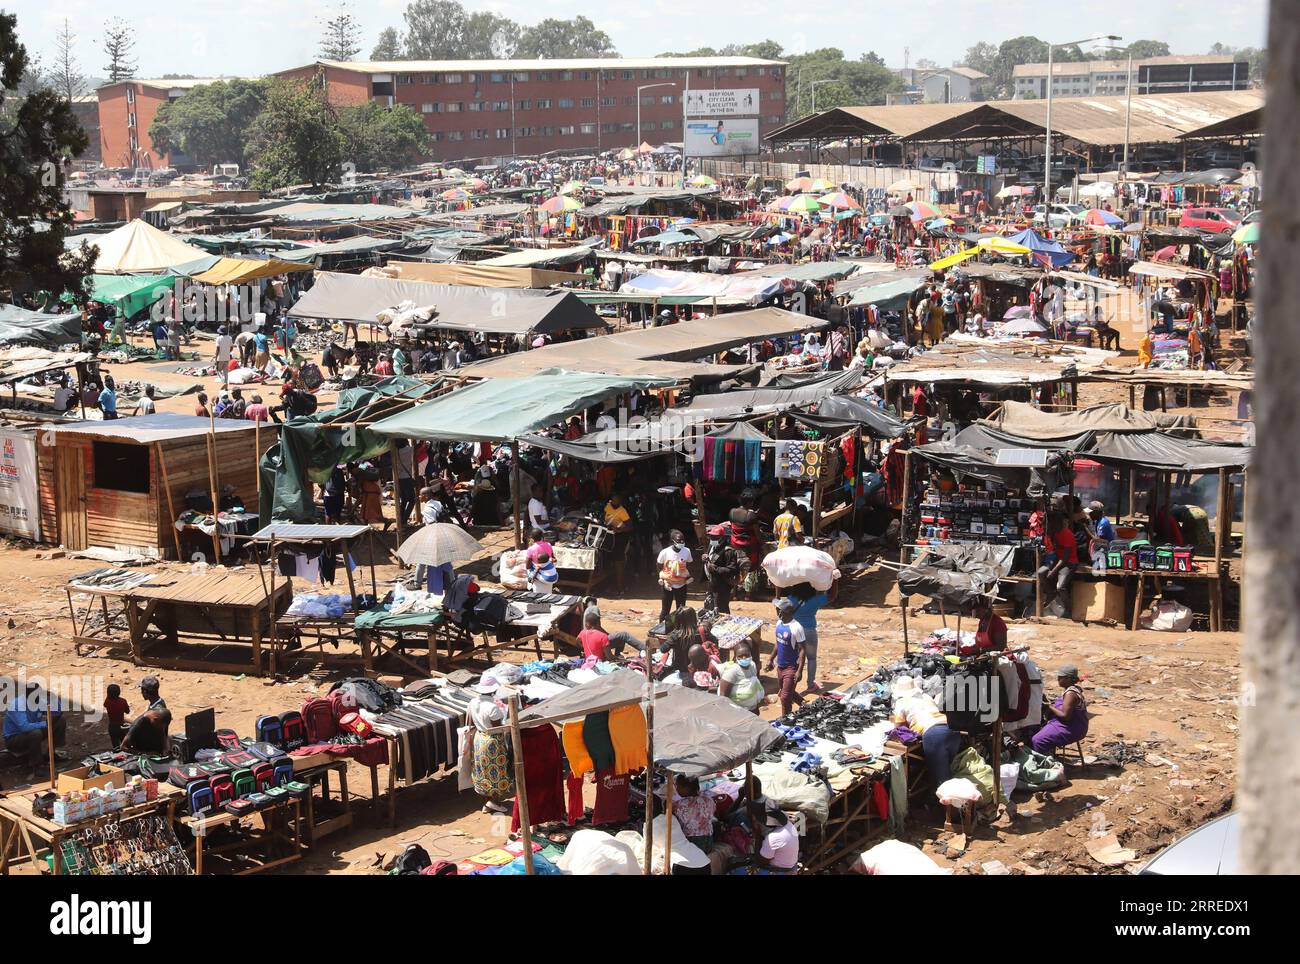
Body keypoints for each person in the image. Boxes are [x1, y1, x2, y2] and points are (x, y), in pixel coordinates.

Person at [891, 675, 959, 792]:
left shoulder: (901, 703)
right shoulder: (926, 696)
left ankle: (947, 808)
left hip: (934, 735)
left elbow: (900, 729)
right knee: (950, 770)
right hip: (952, 729)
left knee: (942, 780)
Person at [2, 682, 66, 775]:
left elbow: (57, 712)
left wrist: (54, 698)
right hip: (14, 739)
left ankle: (51, 754)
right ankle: (37, 766)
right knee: (35, 733)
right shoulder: (17, 705)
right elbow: (24, 727)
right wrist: (46, 723)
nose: (39, 699)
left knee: (60, 721)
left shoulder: (38, 700)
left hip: (32, 732)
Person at [1025, 665, 1089, 755]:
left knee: (1037, 740)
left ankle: (1041, 762)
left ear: (1068, 678)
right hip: (1070, 725)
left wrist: (1049, 706)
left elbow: (1065, 716)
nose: (1058, 679)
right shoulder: (1071, 690)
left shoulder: (1070, 694)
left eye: (1060, 677)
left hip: (1071, 728)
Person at [785, 579, 835, 694]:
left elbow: (778, 604)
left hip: (794, 632)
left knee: (794, 660)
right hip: (809, 632)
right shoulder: (815, 599)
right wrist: (835, 580)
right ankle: (811, 685)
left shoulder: (791, 598)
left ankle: (789, 686)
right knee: (811, 658)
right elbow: (832, 596)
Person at [765, 598, 806, 715]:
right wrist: (771, 659)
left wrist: (799, 671)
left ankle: (786, 720)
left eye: (779, 610)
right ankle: (804, 706)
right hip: (780, 666)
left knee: (784, 697)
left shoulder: (796, 627)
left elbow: (803, 649)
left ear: (786, 612)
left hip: (791, 667)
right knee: (787, 691)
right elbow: (778, 643)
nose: (777, 612)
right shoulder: (779, 624)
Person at [1039, 512, 1078, 618]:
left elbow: (1065, 559)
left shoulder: (1067, 534)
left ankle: (1069, 609)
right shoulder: (1054, 534)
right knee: (1040, 573)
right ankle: (1051, 593)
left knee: (1061, 587)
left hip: (1069, 563)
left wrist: (1053, 571)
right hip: (1058, 560)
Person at [120, 676, 171, 754]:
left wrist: (142, 753)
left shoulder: (157, 712)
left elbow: (162, 731)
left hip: (151, 750)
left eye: (141, 690)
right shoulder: (159, 705)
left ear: (145, 692)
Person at [749, 801, 799, 873]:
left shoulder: (772, 837)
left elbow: (761, 862)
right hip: (792, 866)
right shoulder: (788, 825)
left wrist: (758, 835)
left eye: (756, 821)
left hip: (781, 871)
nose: (754, 822)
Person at [656, 529, 693, 623]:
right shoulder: (664, 552)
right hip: (668, 585)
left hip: (681, 584)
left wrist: (685, 576)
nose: (681, 543)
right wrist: (663, 577)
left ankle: (680, 629)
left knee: (681, 609)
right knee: (665, 609)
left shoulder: (687, 551)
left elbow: (689, 563)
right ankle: (661, 628)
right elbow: (659, 565)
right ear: (673, 541)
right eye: (678, 541)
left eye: (682, 541)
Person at [672, 775, 715, 852]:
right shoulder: (709, 799)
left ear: (687, 788)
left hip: (693, 842)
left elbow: (674, 821)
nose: (676, 789)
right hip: (709, 840)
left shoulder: (680, 805)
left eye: (678, 786)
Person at [718, 640, 764, 712]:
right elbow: (723, 695)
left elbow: (754, 685)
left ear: (750, 654)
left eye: (747, 655)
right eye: (740, 656)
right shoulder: (732, 671)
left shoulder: (752, 665)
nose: (744, 658)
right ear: (736, 657)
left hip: (753, 710)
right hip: (738, 713)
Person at [603, 493, 633, 593]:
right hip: (609, 537)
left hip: (620, 539)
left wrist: (619, 530)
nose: (616, 502)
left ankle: (620, 587)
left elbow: (629, 526)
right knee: (609, 562)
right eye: (614, 499)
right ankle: (611, 584)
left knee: (618, 562)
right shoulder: (607, 507)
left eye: (618, 500)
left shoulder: (622, 511)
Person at [704, 537, 739, 615]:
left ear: (722, 538)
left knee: (722, 608)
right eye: (711, 536)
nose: (712, 539)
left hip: (723, 585)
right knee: (711, 605)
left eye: (715, 536)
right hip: (712, 583)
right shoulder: (712, 546)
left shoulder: (728, 551)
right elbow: (710, 558)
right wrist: (705, 558)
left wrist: (716, 568)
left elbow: (732, 569)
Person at [104, 683, 130, 750]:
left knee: (115, 745)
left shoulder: (107, 701)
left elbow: (105, 705)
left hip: (112, 726)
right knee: (124, 744)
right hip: (122, 726)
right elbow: (127, 711)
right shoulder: (123, 701)